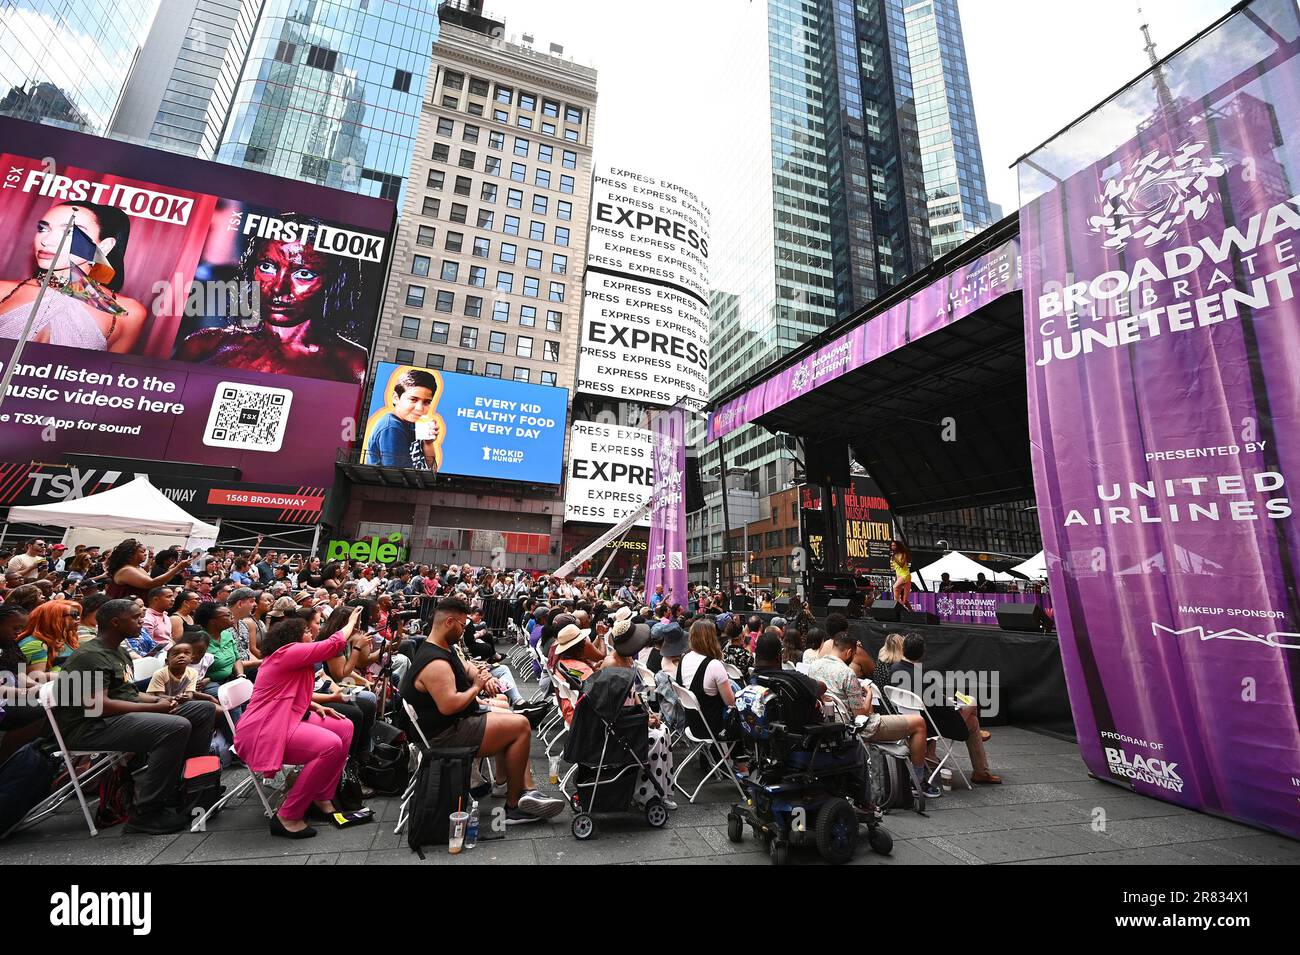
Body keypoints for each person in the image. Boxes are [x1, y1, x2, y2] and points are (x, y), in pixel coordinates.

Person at [54, 598, 217, 834]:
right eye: (136, 617)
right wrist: (156, 708)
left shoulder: (118, 650)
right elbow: (99, 706)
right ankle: (147, 811)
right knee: (175, 726)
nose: (142, 621)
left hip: (114, 717)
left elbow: (130, 694)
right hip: (91, 726)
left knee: (202, 710)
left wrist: (161, 700)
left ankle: (186, 787)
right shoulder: (89, 656)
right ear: (115, 622)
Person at [400, 596, 564, 824]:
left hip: (450, 726)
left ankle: (516, 787)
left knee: (512, 719)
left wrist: (481, 677)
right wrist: (477, 686)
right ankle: (515, 805)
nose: (464, 630)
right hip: (445, 736)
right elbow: (450, 705)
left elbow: (467, 667)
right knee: (520, 726)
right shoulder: (435, 663)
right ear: (449, 622)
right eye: (462, 625)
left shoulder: (441, 649)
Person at [173, 212, 370, 384]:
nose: (278, 288)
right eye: (267, 267)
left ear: (335, 281)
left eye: (303, 274)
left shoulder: (354, 365)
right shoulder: (202, 345)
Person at [234, 609, 372, 837]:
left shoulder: (290, 655)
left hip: (283, 717)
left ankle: (321, 796)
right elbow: (333, 643)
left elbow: (285, 692)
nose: (314, 630)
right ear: (295, 638)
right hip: (264, 729)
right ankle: (288, 814)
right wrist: (351, 622)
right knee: (330, 745)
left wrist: (313, 704)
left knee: (345, 727)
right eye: (309, 629)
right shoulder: (289, 652)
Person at [0, 200, 148, 351]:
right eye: (43, 229)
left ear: (103, 246)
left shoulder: (130, 314)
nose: (46, 241)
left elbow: (107, 373)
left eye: (69, 231)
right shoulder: (3, 291)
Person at [808, 631, 939, 798]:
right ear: (849, 652)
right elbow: (860, 713)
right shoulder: (846, 673)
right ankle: (918, 781)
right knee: (919, 723)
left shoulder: (814, 666)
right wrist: (868, 693)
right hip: (859, 727)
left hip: (830, 722)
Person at [885, 632, 1000, 785]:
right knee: (971, 704)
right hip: (931, 725)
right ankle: (981, 771)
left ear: (903, 649)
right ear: (923, 653)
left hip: (907, 719)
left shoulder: (894, 669)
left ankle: (980, 766)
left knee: (971, 721)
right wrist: (954, 706)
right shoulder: (924, 679)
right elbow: (947, 713)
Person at [365, 367, 442, 469]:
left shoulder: (413, 423)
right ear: (396, 398)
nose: (419, 408)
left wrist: (427, 442)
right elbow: (398, 476)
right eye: (413, 400)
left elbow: (431, 469)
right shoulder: (392, 428)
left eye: (426, 402)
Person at [105, 539, 185, 602]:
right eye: (142, 552)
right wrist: (177, 568)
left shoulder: (137, 567)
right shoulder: (126, 570)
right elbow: (152, 583)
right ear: (130, 555)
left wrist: (171, 570)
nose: (145, 554)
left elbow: (157, 583)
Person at [16, 598, 80, 677]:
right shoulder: (35, 644)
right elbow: (35, 677)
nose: (78, 618)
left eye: (78, 614)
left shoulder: (65, 637)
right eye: (74, 614)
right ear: (54, 618)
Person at [890, 539, 913, 610]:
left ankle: (899, 606)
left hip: (905, 575)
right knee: (905, 600)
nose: (892, 547)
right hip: (900, 576)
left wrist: (895, 558)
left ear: (898, 546)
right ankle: (912, 613)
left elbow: (902, 565)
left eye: (894, 545)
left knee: (894, 587)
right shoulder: (893, 556)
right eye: (891, 545)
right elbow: (896, 569)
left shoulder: (903, 554)